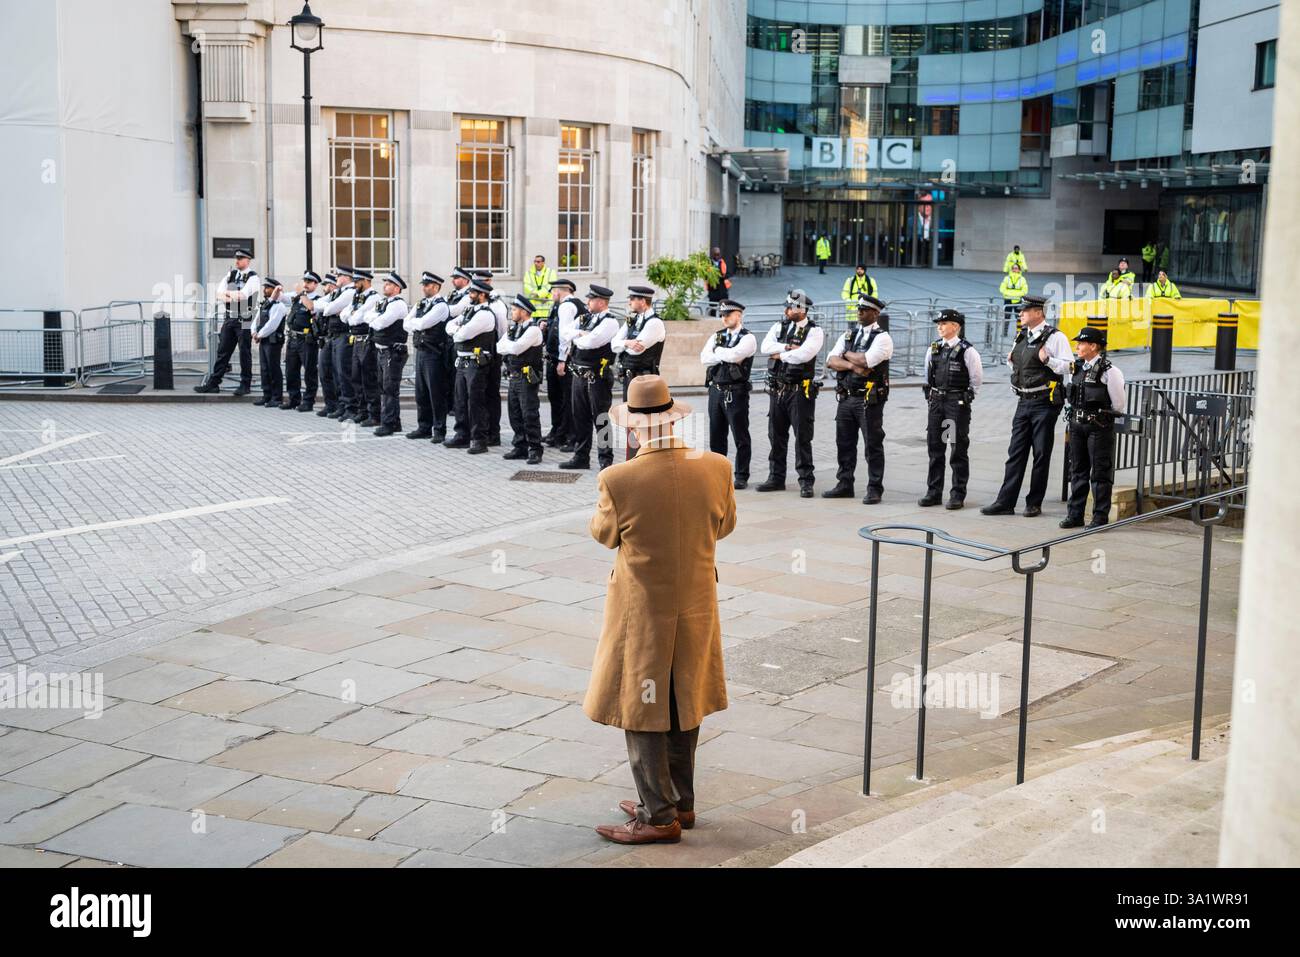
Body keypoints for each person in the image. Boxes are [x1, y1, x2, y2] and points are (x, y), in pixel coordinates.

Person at [587, 375, 736, 845]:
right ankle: (680, 803)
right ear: (675, 420)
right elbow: (725, 526)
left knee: (642, 704)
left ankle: (658, 815)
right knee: (683, 698)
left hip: (643, 610)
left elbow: (604, 534)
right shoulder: (715, 466)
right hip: (696, 602)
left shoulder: (618, 478)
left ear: (632, 430)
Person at [981, 294, 1072, 517]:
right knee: (1015, 452)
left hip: (1044, 402)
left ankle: (1034, 502)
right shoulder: (1022, 334)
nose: (1020, 313)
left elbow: (1070, 366)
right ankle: (1005, 502)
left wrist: (1048, 360)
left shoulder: (1055, 337)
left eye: (1024, 310)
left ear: (1038, 313)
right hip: (1023, 401)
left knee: (1040, 454)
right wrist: (1011, 358)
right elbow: (1017, 361)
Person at [822, 294, 892, 504]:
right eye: (858, 309)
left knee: (872, 445)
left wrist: (846, 355)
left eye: (864, 310)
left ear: (875, 313)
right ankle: (845, 484)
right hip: (846, 398)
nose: (859, 312)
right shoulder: (849, 335)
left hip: (868, 400)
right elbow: (830, 360)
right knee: (844, 443)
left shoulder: (882, 338)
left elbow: (867, 360)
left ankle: (874, 488)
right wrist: (853, 365)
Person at [756, 289, 824, 498]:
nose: (786, 310)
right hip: (777, 390)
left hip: (799, 391)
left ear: (802, 310)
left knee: (802, 436)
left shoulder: (815, 331)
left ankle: (806, 480)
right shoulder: (779, 327)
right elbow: (765, 347)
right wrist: (787, 347)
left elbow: (804, 355)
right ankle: (776, 477)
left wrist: (780, 355)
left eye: (791, 307)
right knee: (775, 435)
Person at [1061, 327, 1126, 529]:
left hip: (1098, 427)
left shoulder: (1110, 372)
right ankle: (1075, 515)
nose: (1077, 346)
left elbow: (1118, 404)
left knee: (1099, 473)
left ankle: (1099, 517)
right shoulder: (1077, 367)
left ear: (1093, 346)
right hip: (1077, 425)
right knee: (1077, 471)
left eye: (1081, 343)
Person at [919, 310, 983, 510]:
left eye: (944, 323)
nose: (940, 327)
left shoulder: (968, 351)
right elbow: (927, 375)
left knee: (957, 449)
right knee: (935, 448)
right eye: (939, 323)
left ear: (956, 326)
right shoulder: (934, 349)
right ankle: (933, 492)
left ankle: (957, 494)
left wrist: (962, 398)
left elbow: (976, 380)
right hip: (937, 403)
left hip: (955, 405)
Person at [561, 284, 619, 471]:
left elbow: (591, 342)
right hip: (579, 374)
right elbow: (565, 332)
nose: (587, 302)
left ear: (601, 302)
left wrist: (578, 336)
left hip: (597, 377)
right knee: (580, 417)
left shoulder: (610, 322)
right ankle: (581, 456)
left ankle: (605, 459)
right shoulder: (584, 318)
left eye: (591, 299)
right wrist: (580, 333)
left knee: (601, 418)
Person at [699, 299, 756, 489]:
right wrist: (724, 353)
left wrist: (719, 352)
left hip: (736, 393)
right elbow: (704, 358)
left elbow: (735, 356)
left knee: (740, 436)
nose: (724, 318)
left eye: (728, 315)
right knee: (716, 436)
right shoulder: (717, 336)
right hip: (716, 391)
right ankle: (718, 474)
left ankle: (741, 475)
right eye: (722, 315)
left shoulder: (748, 338)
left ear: (738, 315)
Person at [194, 249, 259, 395]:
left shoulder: (253, 278)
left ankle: (245, 385)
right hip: (230, 317)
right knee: (223, 352)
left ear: (248, 260)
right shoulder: (231, 275)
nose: (237, 260)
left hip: (245, 317)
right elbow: (218, 294)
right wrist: (231, 296)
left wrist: (228, 294)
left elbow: (242, 296)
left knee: (244, 353)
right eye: (236, 258)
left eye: (241, 258)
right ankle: (214, 383)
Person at [445, 277, 497, 454]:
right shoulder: (470, 310)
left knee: (475, 402)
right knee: (460, 400)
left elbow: (463, 335)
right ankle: (462, 434)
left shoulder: (484, 314)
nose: (469, 295)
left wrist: (457, 331)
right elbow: (449, 326)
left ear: (482, 295)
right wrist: (457, 330)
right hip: (463, 361)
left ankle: (479, 439)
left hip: (476, 363)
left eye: (473, 292)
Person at [405, 271, 455, 443]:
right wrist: (416, 325)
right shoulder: (421, 304)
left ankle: (439, 430)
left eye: (427, 285)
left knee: (436, 393)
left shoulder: (440, 306)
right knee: (421, 392)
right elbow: (407, 323)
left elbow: (422, 323)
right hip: (421, 351)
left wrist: (416, 325)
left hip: (434, 353)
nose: (424, 288)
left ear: (436, 286)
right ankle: (424, 427)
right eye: (424, 285)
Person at [499, 292, 546, 465]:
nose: (512, 312)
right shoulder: (514, 328)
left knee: (529, 414)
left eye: (514, 309)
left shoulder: (533, 330)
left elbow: (517, 348)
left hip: (527, 378)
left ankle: (535, 448)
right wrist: (509, 346)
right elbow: (499, 347)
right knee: (515, 413)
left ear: (524, 311)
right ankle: (520, 446)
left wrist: (508, 346)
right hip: (514, 376)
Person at [543, 278, 583, 452]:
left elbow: (565, 336)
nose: (552, 294)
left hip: (563, 360)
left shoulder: (567, 306)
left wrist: (562, 360)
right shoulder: (560, 306)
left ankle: (568, 435)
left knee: (566, 399)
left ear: (559, 291)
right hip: (556, 358)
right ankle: (557, 431)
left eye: (553, 291)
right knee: (556, 398)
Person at [369, 273, 410, 437]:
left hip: (393, 351)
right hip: (382, 351)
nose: (385, 285)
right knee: (383, 387)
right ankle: (393, 421)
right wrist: (375, 318)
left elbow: (380, 323)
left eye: (389, 283)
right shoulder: (383, 303)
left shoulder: (397, 304)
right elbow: (368, 317)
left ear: (397, 288)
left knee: (389, 389)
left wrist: (375, 318)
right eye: (385, 282)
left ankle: (389, 423)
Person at [473, 270, 508, 447]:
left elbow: (502, 331)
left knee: (491, 394)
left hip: (493, 354)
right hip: (481, 354)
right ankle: (484, 430)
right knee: (481, 394)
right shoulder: (477, 303)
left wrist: (500, 354)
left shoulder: (497, 305)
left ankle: (493, 433)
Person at [343, 268, 382, 426]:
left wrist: (352, 316)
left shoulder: (373, 298)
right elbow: (344, 315)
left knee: (369, 379)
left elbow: (357, 318)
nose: (355, 284)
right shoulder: (357, 297)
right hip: (357, 341)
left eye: (358, 281)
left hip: (367, 341)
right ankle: (362, 410)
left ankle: (374, 414)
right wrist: (352, 316)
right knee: (356, 377)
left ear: (366, 281)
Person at [320, 267, 357, 421]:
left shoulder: (349, 292)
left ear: (346, 277)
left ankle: (349, 407)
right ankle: (341, 406)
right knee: (335, 374)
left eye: (339, 275)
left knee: (343, 373)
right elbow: (323, 307)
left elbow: (328, 309)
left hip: (344, 336)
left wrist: (331, 309)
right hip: (334, 336)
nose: (336, 278)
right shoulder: (339, 292)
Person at [282, 270, 322, 412]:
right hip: (293, 338)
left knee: (309, 372)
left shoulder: (317, 298)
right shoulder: (298, 297)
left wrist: (302, 294)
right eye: (304, 281)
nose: (305, 284)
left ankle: (308, 401)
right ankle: (293, 399)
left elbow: (311, 307)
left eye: (309, 282)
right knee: (291, 371)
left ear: (316, 284)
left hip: (307, 340)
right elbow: (279, 298)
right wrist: (277, 289)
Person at [250, 278, 287, 408]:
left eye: (268, 288)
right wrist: (254, 332)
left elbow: (272, 324)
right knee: (264, 369)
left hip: (273, 341)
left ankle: (277, 397)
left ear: (275, 290)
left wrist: (259, 335)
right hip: (264, 340)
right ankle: (267, 395)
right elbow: (257, 319)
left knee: (273, 369)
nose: (265, 290)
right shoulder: (266, 304)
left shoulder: (279, 306)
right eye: (265, 287)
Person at [308, 272, 340, 418]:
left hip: (334, 340)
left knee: (337, 375)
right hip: (324, 341)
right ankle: (330, 404)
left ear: (334, 286)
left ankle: (339, 405)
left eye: (327, 285)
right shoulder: (325, 300)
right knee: (324, 374)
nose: (325, 288)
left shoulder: (337, 301)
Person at [523, 254, 556, 319]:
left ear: (543, 263)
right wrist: (537, 295)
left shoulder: (551, 272)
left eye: (538, 262)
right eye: (535, 261)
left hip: (547, 310)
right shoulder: (528, 273)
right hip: (533, 311)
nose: (536, 263)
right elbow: (526, 286)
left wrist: (538, 295)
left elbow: (550, 286)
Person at [999, 263, 1028, 334]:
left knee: (1019, 318)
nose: (1015, 270)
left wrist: (1011, 294)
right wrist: (1014, 294)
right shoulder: (1007, 278)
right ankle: (1004, 332)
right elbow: (1002, 288)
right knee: (1006, 317)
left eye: (1016, 268)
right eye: (1013, 268)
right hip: (1008, 300)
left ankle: (1018, 333)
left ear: (1019, 270)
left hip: (1017, 301)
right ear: (1011, 269)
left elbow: (1025, 290)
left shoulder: (1022, 279)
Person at [706, 247, 731, 314]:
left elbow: (728, 274)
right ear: (712, 254)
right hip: (713, 290)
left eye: (718, 254)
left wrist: (722, 276)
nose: (717, 256)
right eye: (715, 254)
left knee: (723, 310)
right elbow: (705, 276)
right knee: (713, 309)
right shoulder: (708, 263)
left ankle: (722, 322)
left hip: (723, 290)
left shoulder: (723, 262)